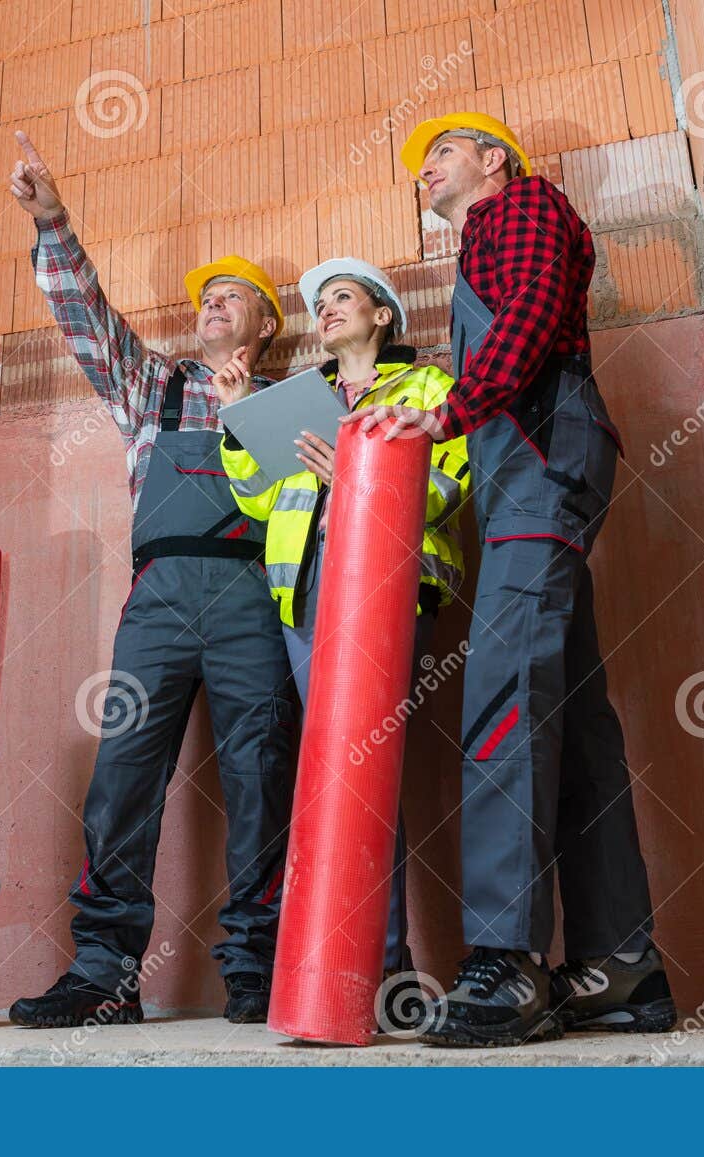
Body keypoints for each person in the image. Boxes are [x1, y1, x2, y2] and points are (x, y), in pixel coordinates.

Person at [349, 113, 675, 1046]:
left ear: (492, 162)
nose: (427, 172)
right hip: (527, 480)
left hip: (543, 463)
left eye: (441, 154)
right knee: (570, 715)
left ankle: (507, 961)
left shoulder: (522, 206)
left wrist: (449, 407)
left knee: (499, 692)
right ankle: (621, 966)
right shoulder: (480, 249)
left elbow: (531, 312)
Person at [5, 130, 297, 1028]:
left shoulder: (300, 398)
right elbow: (86, 320)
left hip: (257, 597)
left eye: (233, 296)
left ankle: (259, 965)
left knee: (262, 770)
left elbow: (324, 500)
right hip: (160, 600)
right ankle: (104, 969)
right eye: (206, 296)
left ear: (266, 323)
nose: (213, 304)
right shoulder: (155, 387)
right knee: (124, 770)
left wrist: (255, 412)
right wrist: (54, 223)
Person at [215, 258, 470, 1023]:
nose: (325, 311)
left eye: (342, 298)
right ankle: (336, 971)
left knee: (366, 768)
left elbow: (451, 481)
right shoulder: (304, 400)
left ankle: (381, 972)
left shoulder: (428, 390)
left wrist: (360, 471)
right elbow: (260, 497)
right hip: (303, 593)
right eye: (318, 304)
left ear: (383, 315)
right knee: (331, 774)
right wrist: (237, 417)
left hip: (385, 576)